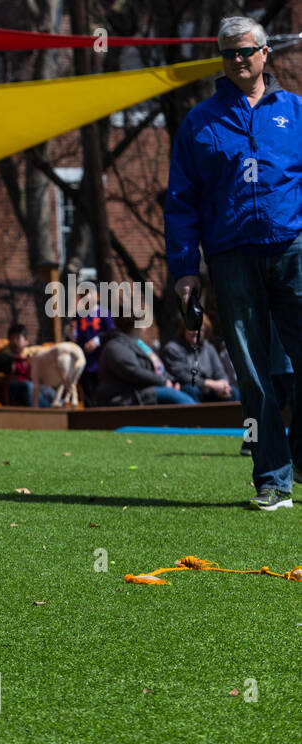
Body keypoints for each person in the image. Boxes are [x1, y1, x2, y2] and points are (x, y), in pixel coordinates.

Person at [165, 14, 302, 510]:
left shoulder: (297, 113)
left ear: (266, 53)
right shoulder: (199, 122)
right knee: (252, 373)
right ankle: (273, 479)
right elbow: (181, 201)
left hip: (292, 251)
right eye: (228, 53)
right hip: (231, 258)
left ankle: (298, 455)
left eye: (246, 50)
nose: (238, 59)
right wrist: (185, 270)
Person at [94, 315, 197, 406]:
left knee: (190, 390)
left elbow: (158, 368)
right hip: (126, 397)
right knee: (175, 396)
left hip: (145, 391)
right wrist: (163, 382)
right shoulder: (116, 346)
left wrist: (173, 382)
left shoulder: (139, 345)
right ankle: (200, 424)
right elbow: (133, 372)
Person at [161, 320, 239, 403]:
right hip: (188, 387)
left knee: (233, 392)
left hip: (211, 389)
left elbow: (219, 371)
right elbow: (183, 376)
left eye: (200, 330)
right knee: (192, 389)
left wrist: (223, 385)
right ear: (184, 329)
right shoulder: (172, 348)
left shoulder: (209, 348)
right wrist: (211, 384)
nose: (196, 332)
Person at [5, 323, 55, 407]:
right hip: (16, 386)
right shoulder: (5, 356)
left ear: (26, 341)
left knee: (48, 389)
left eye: (17, 338)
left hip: (33, 384)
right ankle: (48, 412)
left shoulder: (31, 355)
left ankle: (60, 409)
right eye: (11, 338)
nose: (14, 341)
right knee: (30, 386)